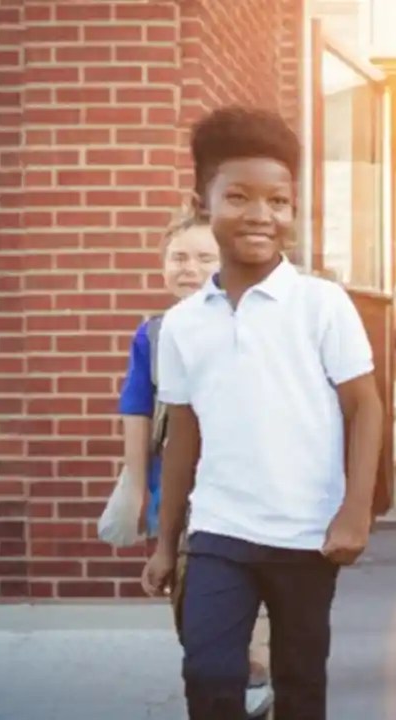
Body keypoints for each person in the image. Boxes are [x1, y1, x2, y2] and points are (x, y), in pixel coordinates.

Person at [139, 106, 384, 720]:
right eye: (240, 197)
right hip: (221, 530)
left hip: (308, 534)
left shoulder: (321, 304)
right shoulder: (183, 325)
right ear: (205, 202)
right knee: (209, 673)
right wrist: (167, 543)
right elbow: (182, 441)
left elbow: (366, 407)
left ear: (292, 210)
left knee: (301, 682)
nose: (260, 215)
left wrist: (356, 513)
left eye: (278, 201)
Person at [118, 216, 275, 717]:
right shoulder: (153, 333)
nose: (189, 269)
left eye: (204, 258)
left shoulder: (255, 326)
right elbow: (137, 410)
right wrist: (137, 487)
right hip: (181, 501)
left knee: (253, 617)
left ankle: (257, 680)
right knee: (196, 618)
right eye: (178, 258)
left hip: (251, 495)